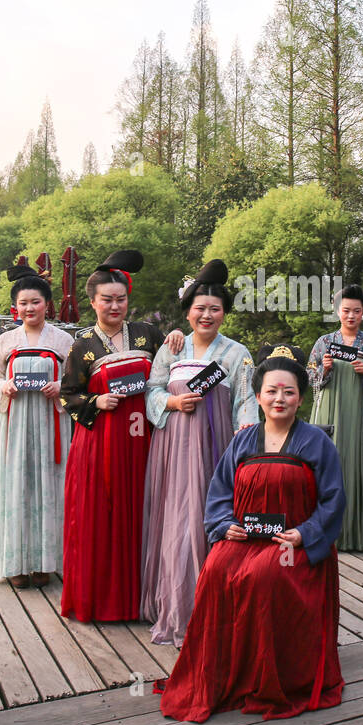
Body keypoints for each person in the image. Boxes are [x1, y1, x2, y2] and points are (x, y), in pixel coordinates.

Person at [159, 345, 346, 722]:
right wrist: (223, 524)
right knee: (215, 571)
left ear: (300, 398)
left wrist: (303, 533)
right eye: (272, 391)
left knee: (266, 576)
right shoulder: (242, 440)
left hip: (292, 543)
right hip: (244, 538)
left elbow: (334, 499)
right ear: (258, 396)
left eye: (289, 392)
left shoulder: (316, 443)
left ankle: (268, 675)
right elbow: (219, 490)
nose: (280, 399)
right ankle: (228, 671)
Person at [58, 250, 183, 622]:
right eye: (107, 300)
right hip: (99, 445)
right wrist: (97, 400)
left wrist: (178, 335)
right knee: (101, 520)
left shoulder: (148, 335)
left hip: (144, 442)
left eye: (121, 299)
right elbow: (68, 396)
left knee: (144, 515)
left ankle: (143, 600)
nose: (115, 306)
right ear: (92, 302)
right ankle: (103, 601)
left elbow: (172, 371)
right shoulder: (81, 347)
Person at [140, 260, 257, 646]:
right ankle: (176, 603)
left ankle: (214, 603)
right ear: (188, 311)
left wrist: (246, 441)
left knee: (209, 514)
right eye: (200, 308)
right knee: (176, 517)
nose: (206, 315)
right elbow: (152, 391)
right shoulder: (171, 347)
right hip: (173, 448)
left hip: (215, 447)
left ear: (224, 313)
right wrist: (171, 405)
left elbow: (246, 402)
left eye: (215, 309)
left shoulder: (237, 353)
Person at [0, 265, 73, 590]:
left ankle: (45, 561)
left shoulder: (63, 340)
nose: (29, 308)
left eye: (35, 302)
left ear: (47, 304)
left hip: (51, 422)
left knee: (50, 486)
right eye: (23, 303)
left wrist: (60, 387)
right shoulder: (6, 341)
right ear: (15, 307)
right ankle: (15, 561)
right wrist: (4, 387)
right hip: (15, 422)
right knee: (16, 486)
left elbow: (79, 381)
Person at [306, 285, 363, 551]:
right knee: (328, 464)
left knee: (359, 464)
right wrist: (324, 369)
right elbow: (308, 378)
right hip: (329, 412)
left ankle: (358, 532)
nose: (351, 315)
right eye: (346, 310)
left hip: (361, 416)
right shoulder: (323, 342)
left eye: (357, 311)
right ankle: (326, 531)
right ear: (337, 311)